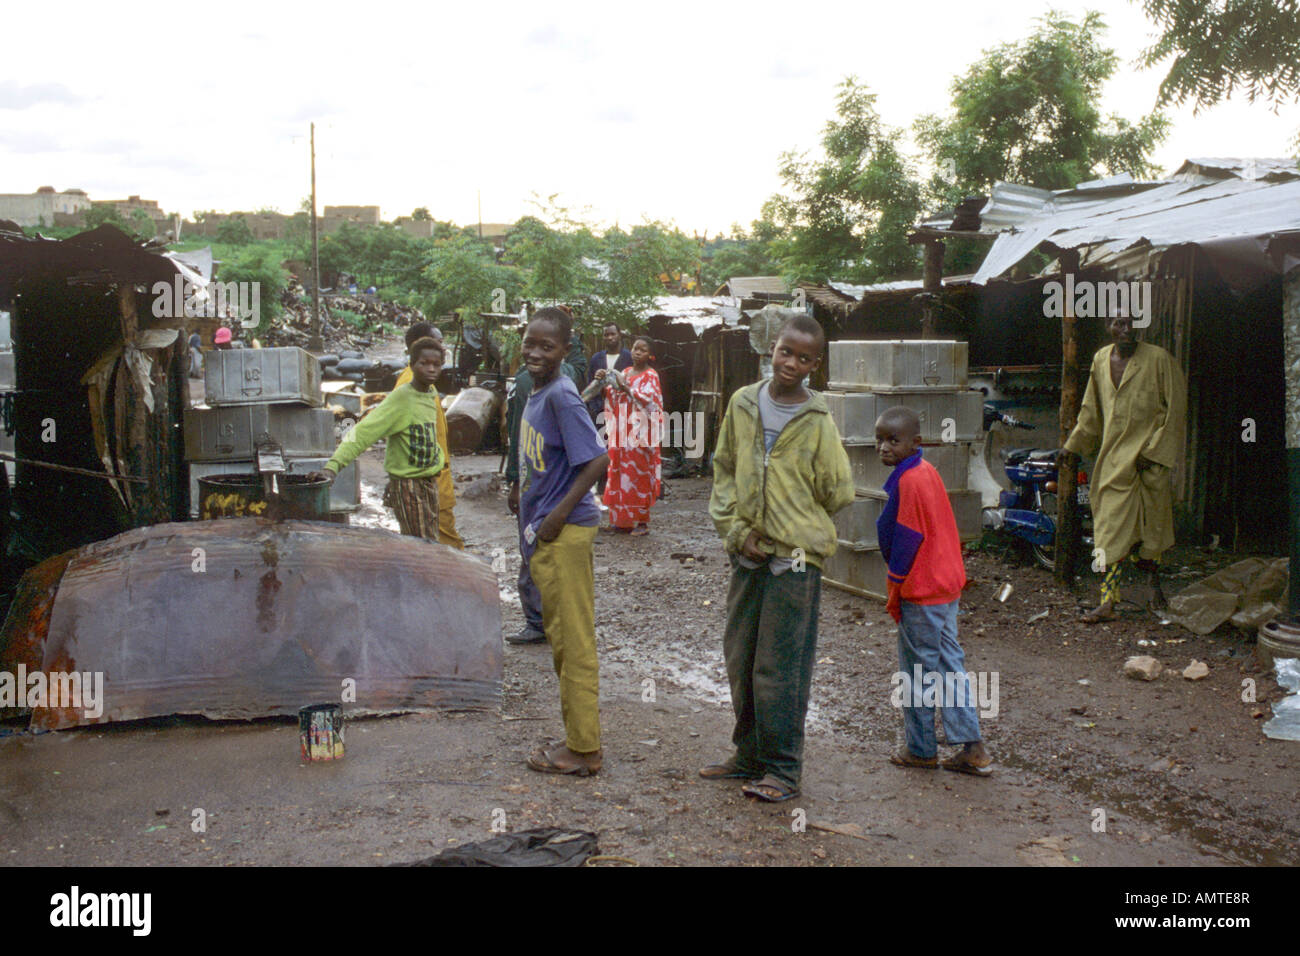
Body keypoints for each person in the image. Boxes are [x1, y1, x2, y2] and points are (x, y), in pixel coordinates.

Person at [703, 315, 854, 802]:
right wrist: (736, 530)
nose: (791, 363)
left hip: (795, 560)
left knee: (781, 665)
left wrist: (795, 530)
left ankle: (784, 771)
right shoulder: (743, 403)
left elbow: (837, 490)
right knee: (741, 656)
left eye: (804, 358)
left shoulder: (818, 419)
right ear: (773, 348)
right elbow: (723, 468)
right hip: (747, 552)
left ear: (816, 364)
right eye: (785, 352)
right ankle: (748, 754)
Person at [510, 307, 609, 776]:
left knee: (574, 642)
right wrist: (520, 489)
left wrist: (555, 517)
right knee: (561, 640)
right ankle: (576, 735)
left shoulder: (563, 396)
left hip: (565, 533)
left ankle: (586, 751)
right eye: (530, 342)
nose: (534, 351)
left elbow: (596, 462)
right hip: (547, 531)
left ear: (565, 351)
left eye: (546, 346)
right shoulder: (535, 391)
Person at [874, 405, 993, 777]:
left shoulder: (909, 481)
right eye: (879, 440)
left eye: (893, 441)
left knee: (916, 672)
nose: (884, 448)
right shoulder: (926, 472)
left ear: (915, 442)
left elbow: (908, 539)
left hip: (923, 591)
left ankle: (920, 748)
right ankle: (972, 746)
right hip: (946, 587)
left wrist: (895, 585)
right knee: (949, 667)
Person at [1064, 314, 1186, 623]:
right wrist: (1071, 448)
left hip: (1148, 463)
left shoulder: (1160, 360)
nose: (1127, 329)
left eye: (1132, 322)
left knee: (1151, 532)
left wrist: (1155, 452)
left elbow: (1176, 410)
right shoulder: (1101, 360)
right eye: (1119, 323)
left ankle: (1153, 591)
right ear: (1108, 325)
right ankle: (1107, 601)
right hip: (1114, 462)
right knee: (1108, 530)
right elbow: (1090, 411)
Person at [310, 337, 446, 538]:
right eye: (424, 363)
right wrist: (333, 467)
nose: (431, 369)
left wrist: (438, 459)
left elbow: (429, 434)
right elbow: (364, 431)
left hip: (428, 482)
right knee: (422, 545)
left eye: (436, 364)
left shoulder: (431, 393)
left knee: (430, 541)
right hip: (409, 486)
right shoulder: (401, 399)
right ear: (411, 365)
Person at [504, 350, 582, 645]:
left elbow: (517, 434)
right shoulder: (562, 380)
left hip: (539, 485)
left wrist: (513, 479)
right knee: (544, 552)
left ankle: (539, 621)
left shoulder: (534, 384)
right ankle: (551, 619)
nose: (535, 353)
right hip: (547, 482)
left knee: (532, 552)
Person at [393, 323, 461, 549]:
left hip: (436, 479)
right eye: (439, 343)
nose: (443, 349)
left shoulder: (427, 385)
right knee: (441, 548)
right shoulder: (408, 385)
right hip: (427, 484)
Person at [599, 335, 662, 535]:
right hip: (622, 432)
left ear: (649, 355)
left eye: (642, 350)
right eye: (635, 348)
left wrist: (627, 389)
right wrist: (603, 381)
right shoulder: (624, 372)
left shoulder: (651, 375)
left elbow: (651, 402)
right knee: (619, 473)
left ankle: (642, 523)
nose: (637, 352)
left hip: (640, 435)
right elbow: (613, 395)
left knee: (639, 476)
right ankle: (621, 521)